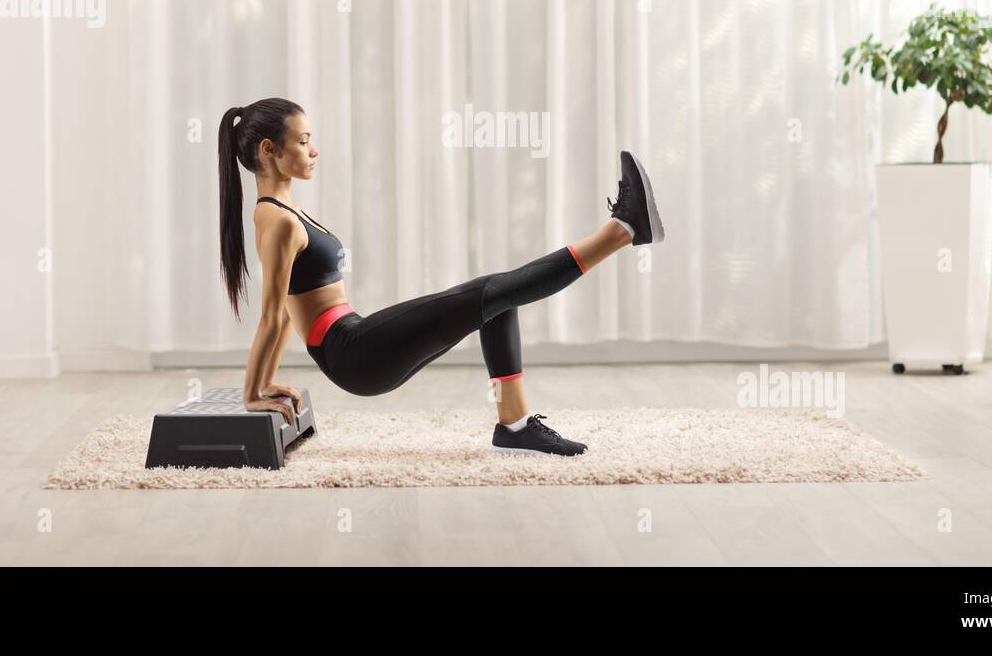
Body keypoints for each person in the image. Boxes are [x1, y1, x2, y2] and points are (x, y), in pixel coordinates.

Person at [218, 98, 665, 456]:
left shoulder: (287, 212)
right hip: (353, 354)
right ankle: (623, 230)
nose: (313, 150)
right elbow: (274, 318)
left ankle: (515, 425)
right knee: (495, 291)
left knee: (493, 300)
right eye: (303, 140)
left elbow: (284, 317)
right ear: (268, 151)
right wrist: (253, 391)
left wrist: (263, 382)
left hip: (355, 343)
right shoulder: (275, 220)